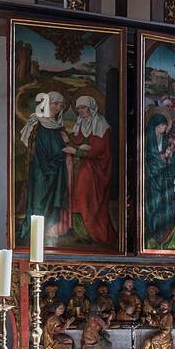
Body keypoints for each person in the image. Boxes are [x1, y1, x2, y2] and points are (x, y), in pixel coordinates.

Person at [20, 91, 70, 242]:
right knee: (39, 200)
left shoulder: (58, 127)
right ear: (47, 104)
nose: (58, 108)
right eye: (55, 104)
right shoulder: (39, 124)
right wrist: (49, 168)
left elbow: (61, 146)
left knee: (52, 201)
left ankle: (48, 231)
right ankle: (34, 234)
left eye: (61, 105)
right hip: (43, 170)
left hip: (56, 170)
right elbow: (39, 150)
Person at [66, 95, 116, 246]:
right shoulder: (81, 122)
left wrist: (78, 152)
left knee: (86, 199)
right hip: (85, 165)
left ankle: (94, 232)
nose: (80, 111)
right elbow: (78, 139)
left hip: (96, 168)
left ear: (91, 108)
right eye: (79, 108)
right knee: (78, 197)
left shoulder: (101, 124)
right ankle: (82, 233)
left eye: (83, 108)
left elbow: (99, 149)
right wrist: (70, 140)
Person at [144, 113, 175, 248]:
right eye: (162, 126)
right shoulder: (148, 139)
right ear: (155, 126)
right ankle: (153, 233)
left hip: (164, 178)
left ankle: (163, 234)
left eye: (165, 126)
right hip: (152, 180)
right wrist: (162, 158)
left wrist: (169, 155)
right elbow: (149, 159)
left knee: (166, 203)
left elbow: (172, 157)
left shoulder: (164, 139)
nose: (164, 128)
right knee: (154, 204)